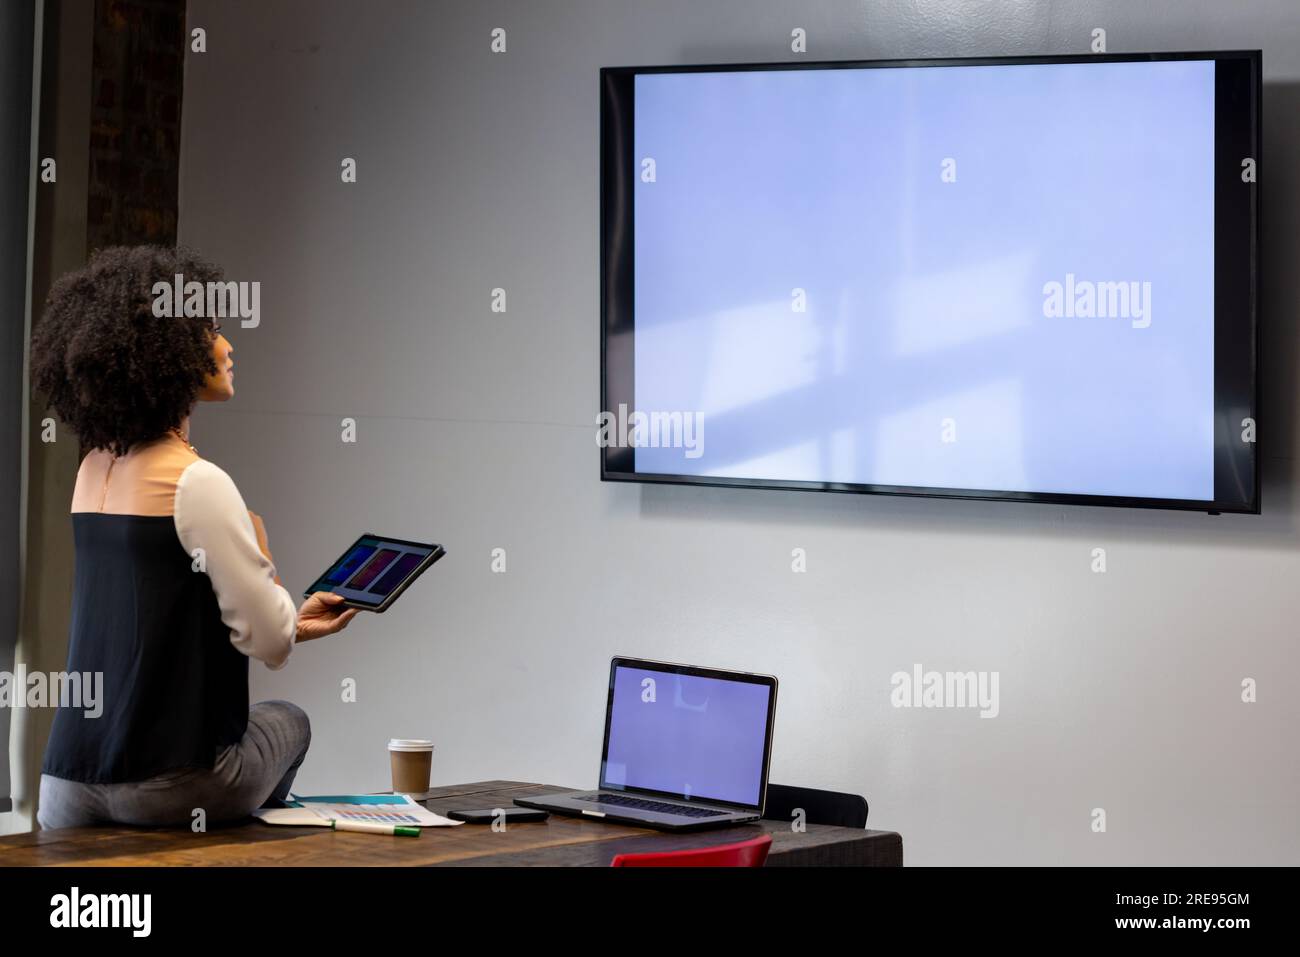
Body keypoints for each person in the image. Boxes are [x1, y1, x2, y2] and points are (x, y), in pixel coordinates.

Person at [29, 245, 357, 828]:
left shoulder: (93, 469)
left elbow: (162, 614)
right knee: (290, 720)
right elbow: (270, 644)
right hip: (171, 785)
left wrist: (295, 622)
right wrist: (264, 559)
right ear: (166, 353)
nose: (228, 347)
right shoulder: (195, 480)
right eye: (211, 332)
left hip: (66, 786)